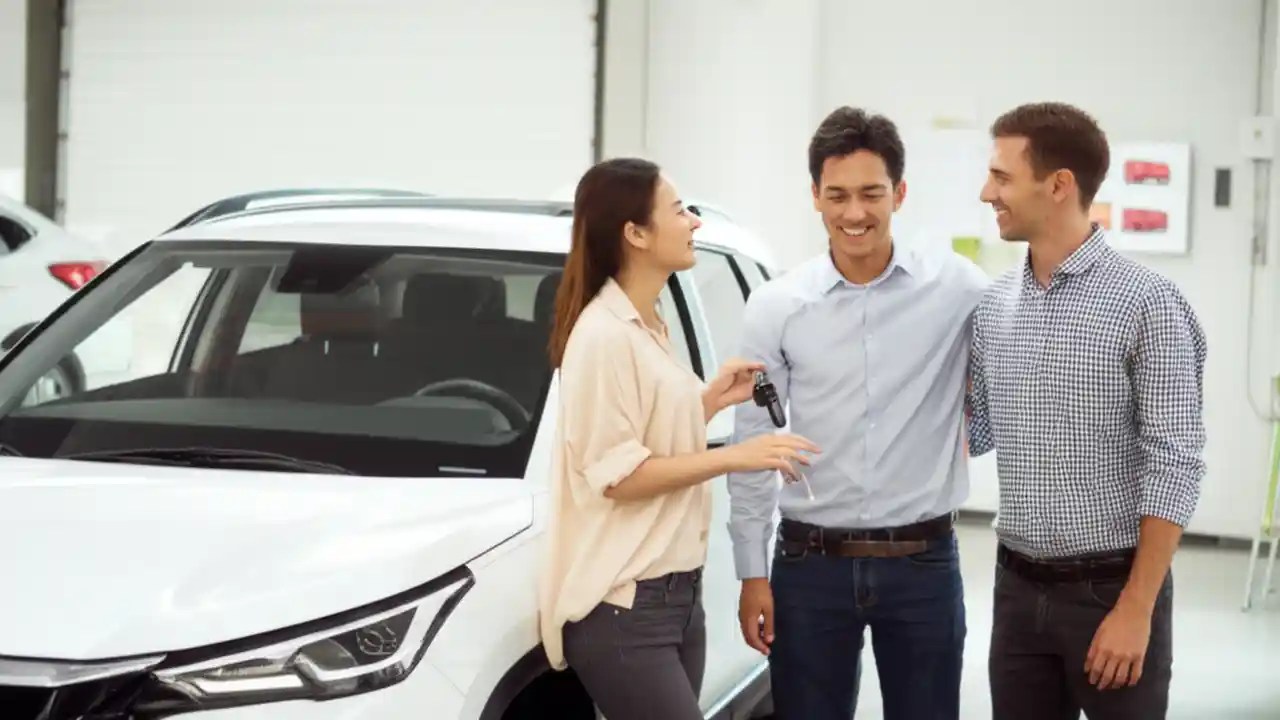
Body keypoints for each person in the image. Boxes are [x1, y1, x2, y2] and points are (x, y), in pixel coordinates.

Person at [728, 106, 989, 720]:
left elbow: (1014, 362)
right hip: (806, 569)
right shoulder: (776, 306)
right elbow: (752, 447)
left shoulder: (958, 289)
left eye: (872, 193)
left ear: (899, 192)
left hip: (922, 566)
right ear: (815, 196)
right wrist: (750, 573)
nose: (855, 213)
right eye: (838, 195)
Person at [537, 157, 820, 720]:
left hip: (675, 601)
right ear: (635, 234)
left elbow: (643, 429)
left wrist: (709, 399)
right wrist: (737, 457)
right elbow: (617, 475)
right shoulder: (602, 336)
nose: (693, 222)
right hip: (625, 609)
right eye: (678, 210)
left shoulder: (650, 323)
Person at [968, 101, 1207, 719]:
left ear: (1058, 185)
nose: (985, 192)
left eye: (1001, 177)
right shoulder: (994, 307)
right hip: (1015, 592)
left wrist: (1136, 609)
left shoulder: (1147, 304)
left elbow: (1175, 465)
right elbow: (975, 431)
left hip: (1112, 591)